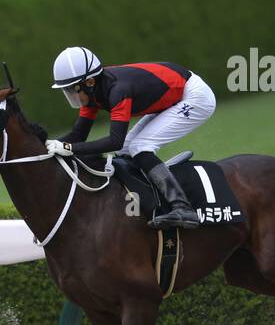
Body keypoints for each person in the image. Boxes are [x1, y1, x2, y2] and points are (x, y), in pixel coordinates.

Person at [47, 47, 216, 229]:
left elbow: (114, 140)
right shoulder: (93, 92)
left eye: (72, 89)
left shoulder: (118, 90)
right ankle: (150, 198)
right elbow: (78, 135)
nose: (71, 95)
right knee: (126, 149)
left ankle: (183, 208)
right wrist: (44, 147)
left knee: (140, 147)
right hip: (173, 95)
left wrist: (70, 149)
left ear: (89, 82)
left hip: (194, 97)